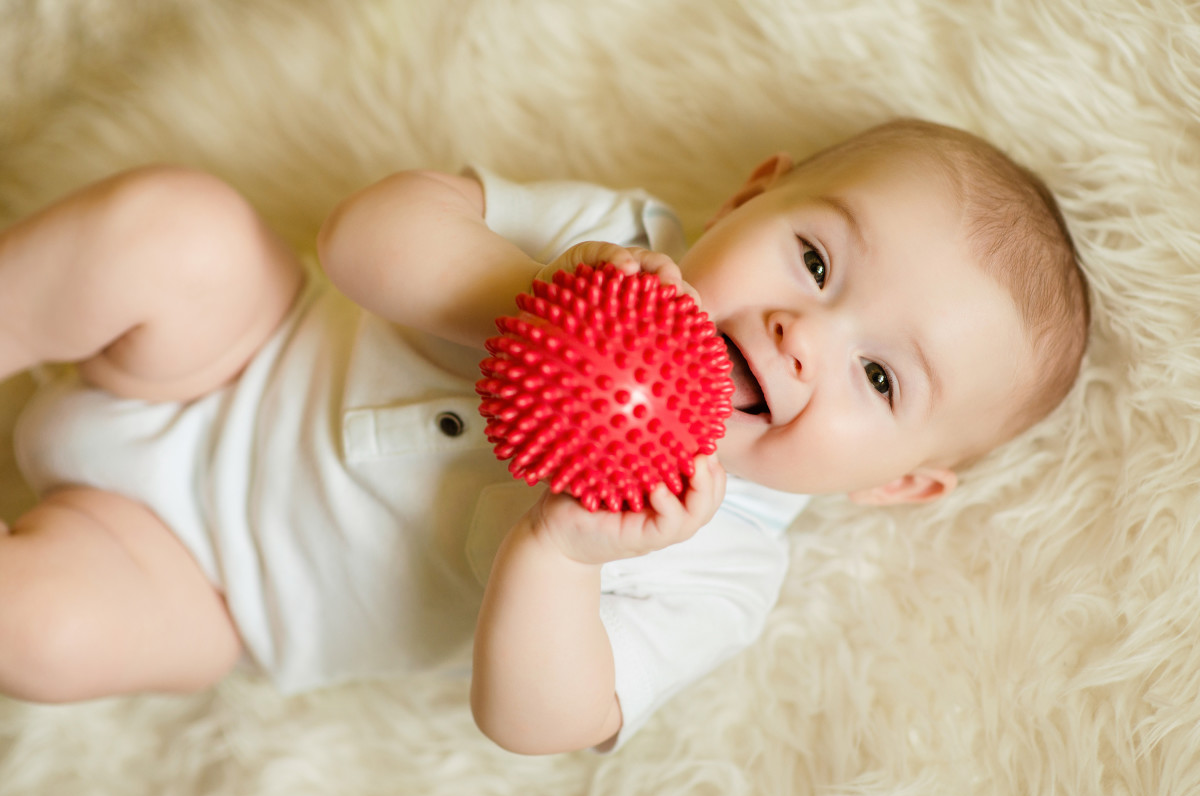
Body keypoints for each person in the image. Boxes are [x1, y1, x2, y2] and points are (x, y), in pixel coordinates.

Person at [0, 118, 1088, 755]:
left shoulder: (725, 566)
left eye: (881, 377)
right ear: (749, 198)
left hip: (214, 584)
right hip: (240, 345)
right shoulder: (614, 239)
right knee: (176, 226)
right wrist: (531, 297)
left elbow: (540, 721)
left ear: (897, 482)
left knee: (46, 634)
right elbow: (363, 236)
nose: (803, 338)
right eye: (813, 261)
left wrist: (558, 557)